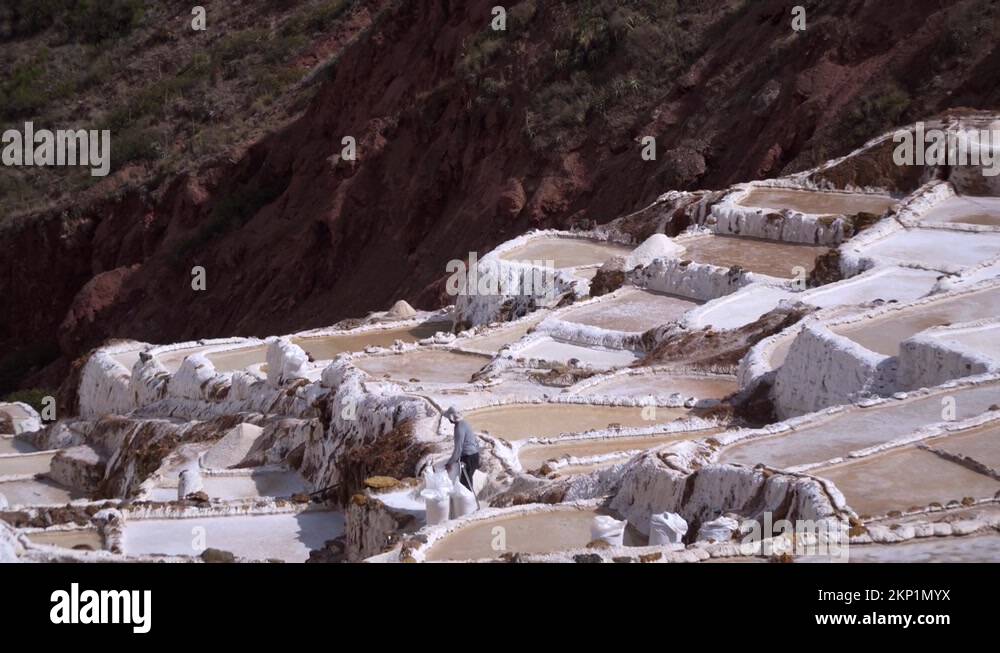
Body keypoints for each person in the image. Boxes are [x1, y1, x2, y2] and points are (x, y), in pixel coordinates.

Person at [442, 406, 479, 492]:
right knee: (466, 481)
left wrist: (450, 463)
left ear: (452, 418)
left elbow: (458, 449)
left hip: (468, 457)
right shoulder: (465, 423)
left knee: (465, 484)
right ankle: (469, 501)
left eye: (449, 418)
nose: (448, 420)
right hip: (474, 455)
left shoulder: (459, 428)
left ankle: (470, 503)